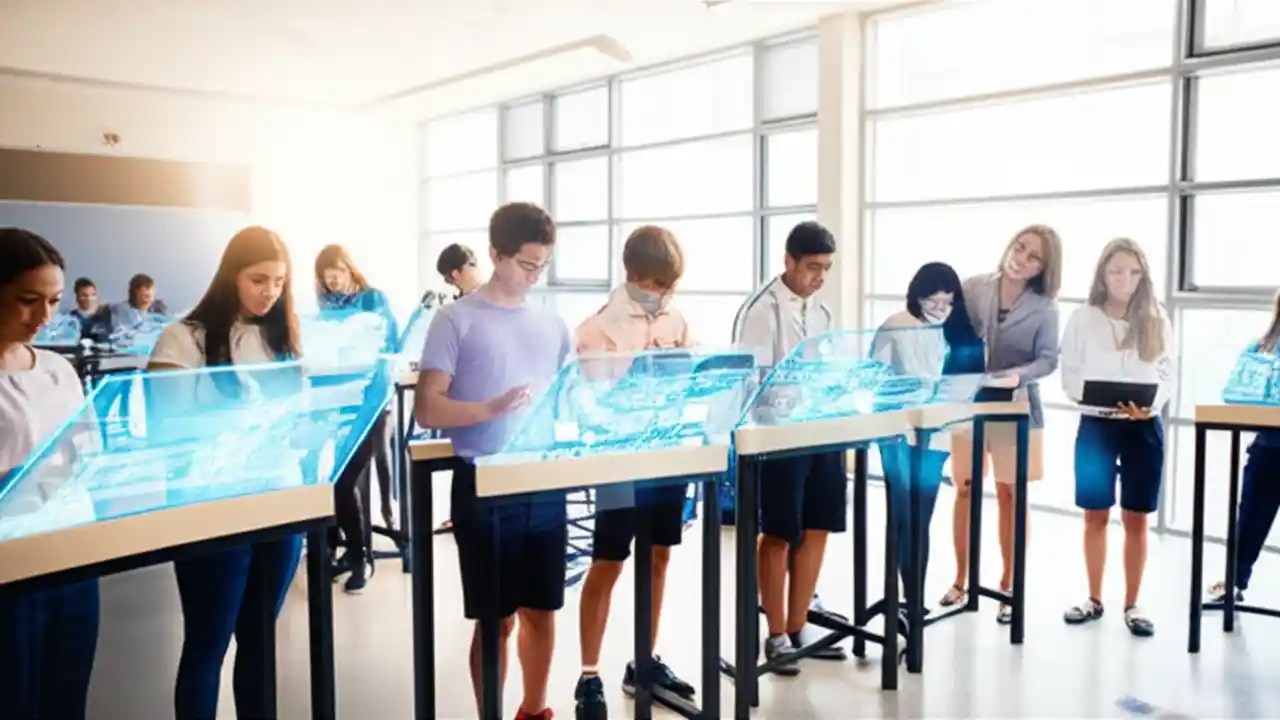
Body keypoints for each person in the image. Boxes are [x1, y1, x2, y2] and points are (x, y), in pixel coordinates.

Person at [415, 202, 569, 720]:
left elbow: (564, 400)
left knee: (542, 609)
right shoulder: (455, 320)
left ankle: (535, 708)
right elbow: (428, 406)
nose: (534, 275)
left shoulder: (551, 324)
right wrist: (490, 408)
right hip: (483, 483)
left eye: (542, 266)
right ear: (495, 255)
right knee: (495, 617)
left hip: (542, 480)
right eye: (526, 264)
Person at [146, 226, 303, 720]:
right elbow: (168, 433)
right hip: (211, 507)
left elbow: (297, 417)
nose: (269, 292)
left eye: (279, 282)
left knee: (259, 642)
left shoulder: (281, 337)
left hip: (278, 501)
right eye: (258, 279)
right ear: (229, 276)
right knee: (207, 645)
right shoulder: (183, 338)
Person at [573, 226, 694, 719]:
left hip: (667, 456)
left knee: (659, 555)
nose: (663, 293)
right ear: (634, 276)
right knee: (608, 561)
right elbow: (587, 405)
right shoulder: (596, 328)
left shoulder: (677, 319)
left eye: (670, 285)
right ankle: (588, 674)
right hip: (620, 460)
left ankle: (644, 658)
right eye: (657, 283)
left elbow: (691, 381)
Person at [732, 220, 843, 675]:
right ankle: (774, 633)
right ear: (788, 261)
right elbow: (750, 380)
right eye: (812, 267)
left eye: (826, 269)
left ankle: (799, 626)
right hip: (779, 436)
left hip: (820, 430)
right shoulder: (761, 310)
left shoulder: (823, 310)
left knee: (818, 526)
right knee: (779, 531)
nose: (819, 277)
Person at [0, 228, 100, 720]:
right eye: (27, 300)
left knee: (67, 691)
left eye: (54, 301)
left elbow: (84, 450)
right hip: (9, 561)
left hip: (69, 552)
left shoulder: (58, 368)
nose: (43, 316)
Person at [943, 224, 1062, 624]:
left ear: (1043, 268)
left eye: (1033, 257)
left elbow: (1048, 359)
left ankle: (1010, 586)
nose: (1021, 258)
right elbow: (947, 334)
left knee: (1011, 494)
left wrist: (1019, 375)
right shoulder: (974, 287)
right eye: (1020, 247)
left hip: (1016, 405)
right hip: (970, 403)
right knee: (965, 488)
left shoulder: (1045, 308)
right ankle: (961, 580)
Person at [1059, 238, 1171, 638]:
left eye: (1134, 272)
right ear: (1103, 275)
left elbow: (1167, 374)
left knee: (1137, 516)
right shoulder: (1083, 317)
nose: (1126, 279)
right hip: (1097, 426)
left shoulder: (1156, 317)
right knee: (1095, 513)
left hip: (1143, 427)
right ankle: (1093, 598)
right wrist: (1084, 395)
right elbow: (1068, 370)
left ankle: (1133, 603)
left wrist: (1152, 405)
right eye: (1117, 271)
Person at [871, 262, 983, 623]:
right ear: (917, 296)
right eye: (933, 302)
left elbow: (959, 384)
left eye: (947, 303)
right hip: (897, 434)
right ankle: (900, 601)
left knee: (921, 518)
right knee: (901, 516)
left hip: (935, 436)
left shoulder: (950, 334)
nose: (940, 309)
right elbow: (876, 380)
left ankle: (914, 600)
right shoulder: (895, 326)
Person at [314, 244, 397, 593]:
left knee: (344, 481)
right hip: (335, 403)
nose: (332, 281)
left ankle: (359, 557)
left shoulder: (373, 299)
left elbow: (386, 347)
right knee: (331, 481)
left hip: (371, 404)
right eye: (325, 276)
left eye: (336, 272)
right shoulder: (326, 309)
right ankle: (342, 552)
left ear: (349, 269)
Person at [1210, 292, 1280, 605]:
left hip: (1268, 445)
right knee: (1250, 517)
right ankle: (1233, 580)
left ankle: (1233, 580)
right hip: (1269, 446)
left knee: (1251, 514)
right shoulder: (1266, 344)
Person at [431, 242, 481, 536]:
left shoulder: (484, 301)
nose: (452, 280)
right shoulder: (455, 305)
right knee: (462, 459)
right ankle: (459, 516)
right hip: (462, 394)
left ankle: (464, 516)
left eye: (453, 274)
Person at [70, 277, 110, 342]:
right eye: (84, 295)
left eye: (93, 295)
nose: (89, 298)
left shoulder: (106, 315)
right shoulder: (71, 318)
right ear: (77, 297)